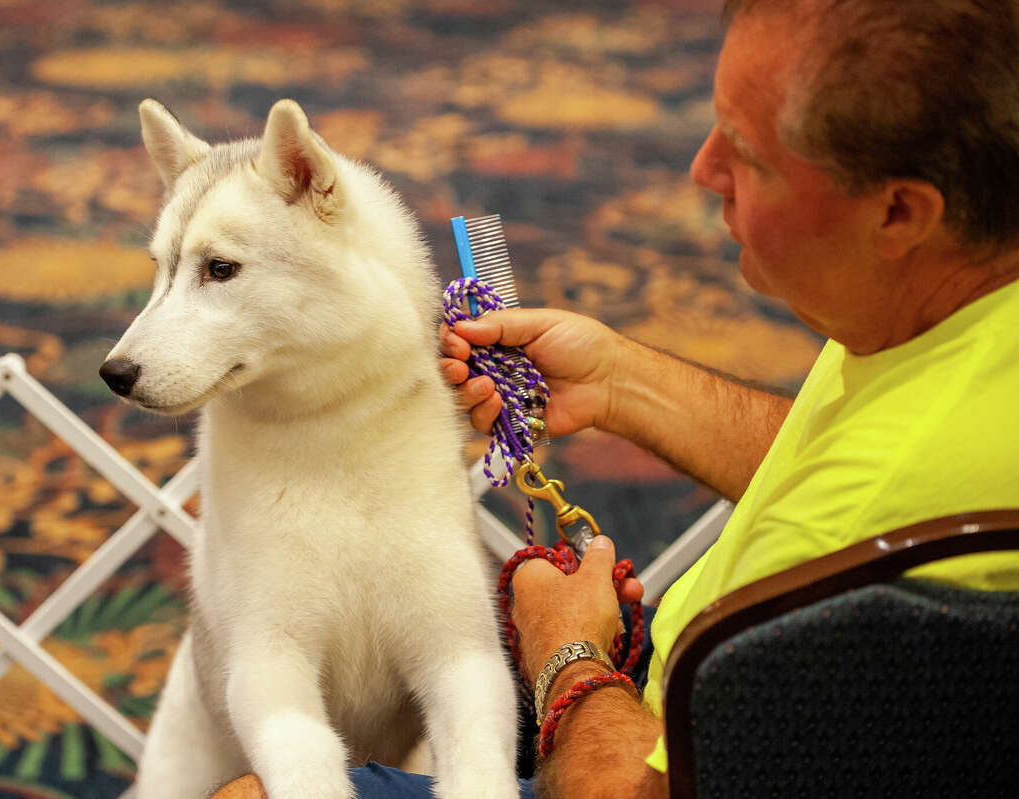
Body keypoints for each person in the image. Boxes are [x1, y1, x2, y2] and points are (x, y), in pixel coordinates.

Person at [217, 0, 1019, 796]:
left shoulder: (836, 543)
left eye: (747, 155)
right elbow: (842, 460)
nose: (702, 170)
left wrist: (569, 653)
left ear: (900, 210)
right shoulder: (949, 319)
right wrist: (619, 380)